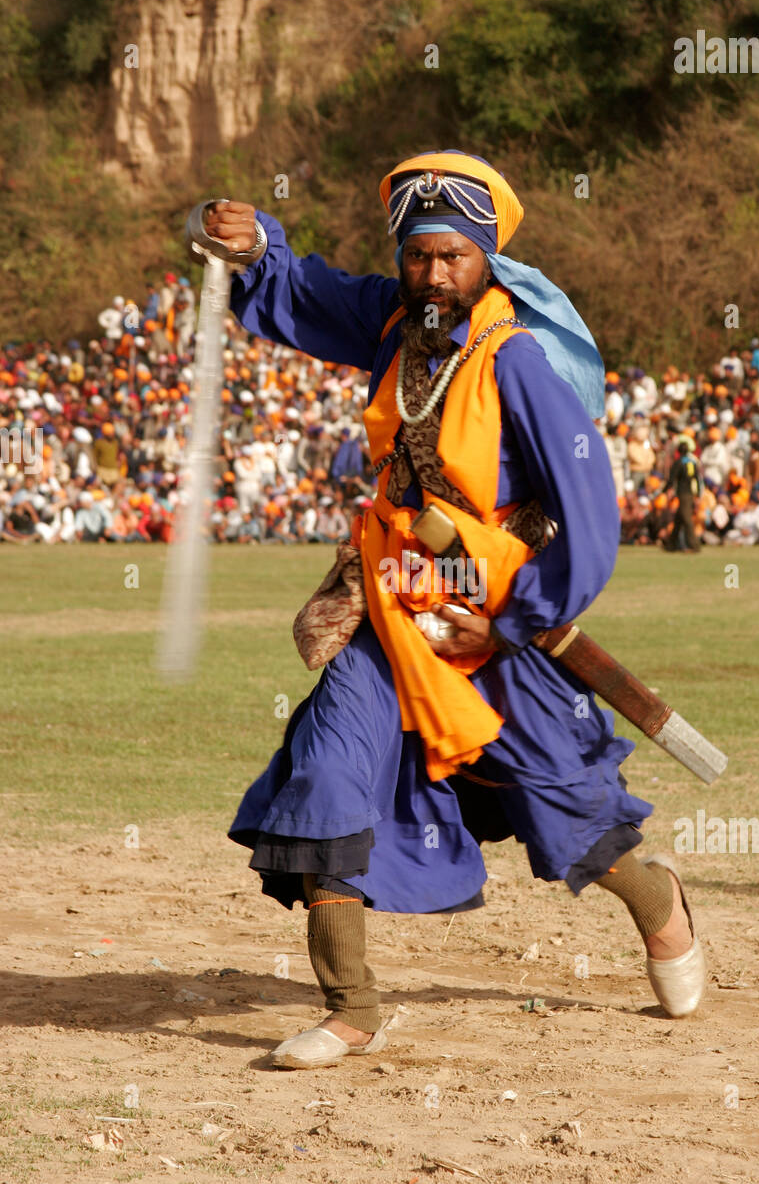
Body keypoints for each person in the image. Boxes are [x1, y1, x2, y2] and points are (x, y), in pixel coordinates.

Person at [205, 151, 706, 1072]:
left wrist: (512, 620)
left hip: (494, 619)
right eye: (420, 254)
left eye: (453, 258)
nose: (434, 273)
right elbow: (308, 291)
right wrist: (257, 247)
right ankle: (351, 1007)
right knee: (325, 771)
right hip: (388, 608)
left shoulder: (519, 363)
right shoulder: (394, 321)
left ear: (486, 258)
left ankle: (657, 902)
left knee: (569, 812)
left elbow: (591, 515)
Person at [664, 434, 703, 552]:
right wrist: (698, 494)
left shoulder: (679, 463)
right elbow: (697, 479)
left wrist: (664, 491)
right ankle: (671, 545)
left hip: (683, 493)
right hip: (691, 493)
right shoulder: (692, 462)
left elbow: (672, 479)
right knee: (678, 520)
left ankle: (694, 545)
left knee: (686, 519)